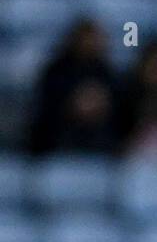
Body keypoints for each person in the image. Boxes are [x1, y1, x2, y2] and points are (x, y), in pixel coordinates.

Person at [28, 18, 121, 155]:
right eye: (86, 38)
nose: (89, 43)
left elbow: (117, 102)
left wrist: (98, 104)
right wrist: (73, 103)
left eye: (93, 39)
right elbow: (47, 104)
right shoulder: (56, 70)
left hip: (99, 132)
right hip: (60, 131)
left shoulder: (106, 71)